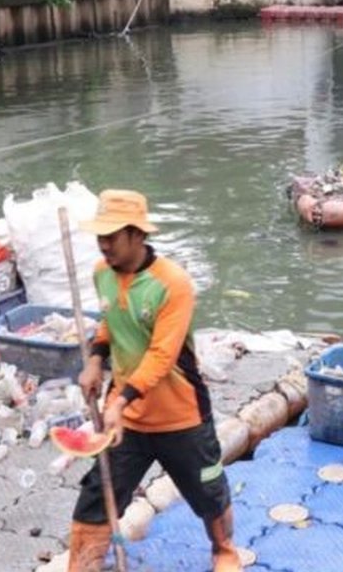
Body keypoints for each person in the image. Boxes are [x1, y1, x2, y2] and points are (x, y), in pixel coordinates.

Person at [67, 190, 239, 572]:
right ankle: (83, 564)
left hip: (181, 415)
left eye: (112, 236)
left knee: (208, 490)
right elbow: (110, 324)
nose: (103, 244)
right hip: (126, 418)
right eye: (100, 235)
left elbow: (162, 355)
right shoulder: (102, 273)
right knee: (99, 492)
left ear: (137, 235)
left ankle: (225, 550)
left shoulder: (172, 284)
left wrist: (120, 400)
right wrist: (96, 359)